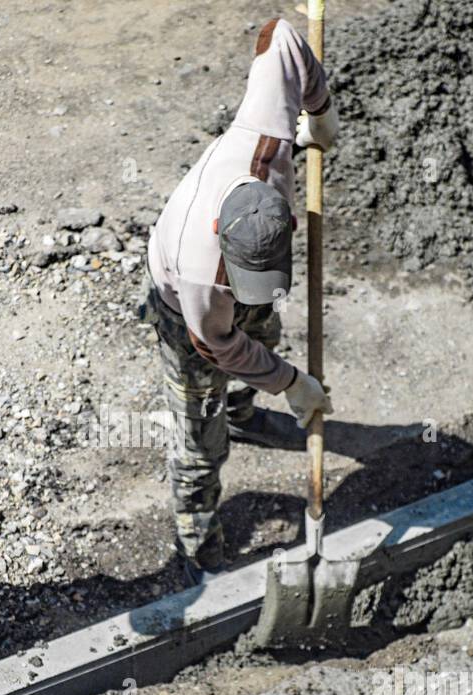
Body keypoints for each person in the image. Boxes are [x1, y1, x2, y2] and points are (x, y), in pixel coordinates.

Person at [145, 19, 339, 584]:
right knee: (199, 435)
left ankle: (245, 415)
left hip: (228, 293)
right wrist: (289, 382)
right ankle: (197, 537)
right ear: (219, 233)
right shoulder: (198, 275)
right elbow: (218, 344)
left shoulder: (266, 137)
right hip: (188, 322)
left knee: (264, 331)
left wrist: (321, 112)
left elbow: (280, 35)